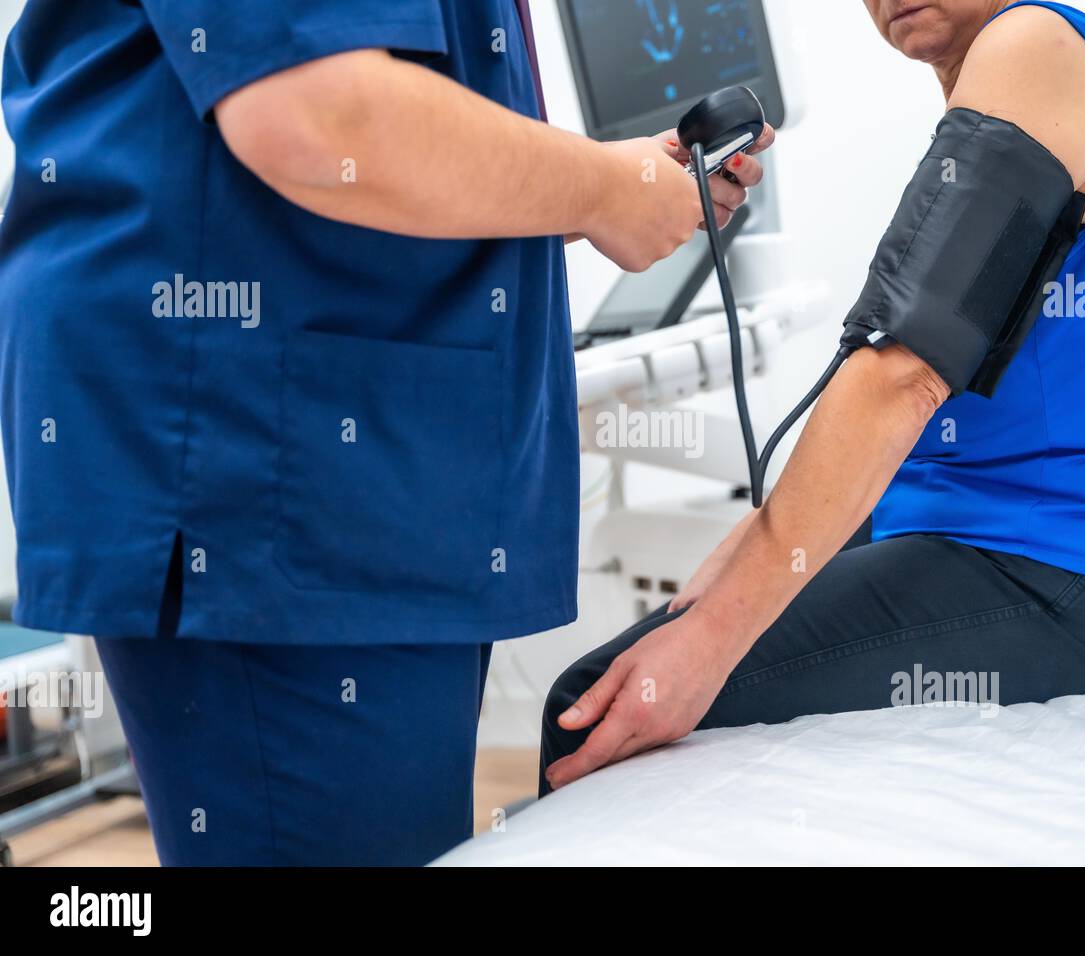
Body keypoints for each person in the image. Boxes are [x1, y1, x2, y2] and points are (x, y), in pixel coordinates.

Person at [0, 0, 771, 864]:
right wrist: (601, 191)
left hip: (339, 438)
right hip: (258, 440)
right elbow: (319, 114)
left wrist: (604, 183)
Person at [541, 0, 1085, 794]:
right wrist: (753, 546)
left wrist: (718, 634)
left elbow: (903, 371)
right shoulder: (1036, 69)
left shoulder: (1030, 47)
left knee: (588, 706)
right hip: (1013, 531)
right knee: (683, 619)